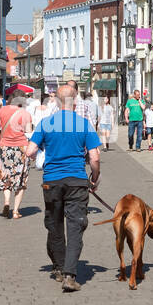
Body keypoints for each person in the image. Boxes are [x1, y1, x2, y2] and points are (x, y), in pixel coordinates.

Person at [26, 83, 101, 292]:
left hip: (52, 181)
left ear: (56, 102)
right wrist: (94, 178)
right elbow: (94, 157)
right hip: (77, 180)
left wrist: (40, 152)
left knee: (54, 223)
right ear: (75, 101)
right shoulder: (84, 124)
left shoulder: (46, 123)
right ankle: (70, 274)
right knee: (75, 226)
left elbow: (30, 151)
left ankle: (58, 267)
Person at [0, 93, 34, 219]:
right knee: (21, 179)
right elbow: (28, 132)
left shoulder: (2, 110)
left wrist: (1, 140)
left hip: (5, 147)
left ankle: (6, 202)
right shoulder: (25, 114)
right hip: (21, 148)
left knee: (6, 175)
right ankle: (15, 211)